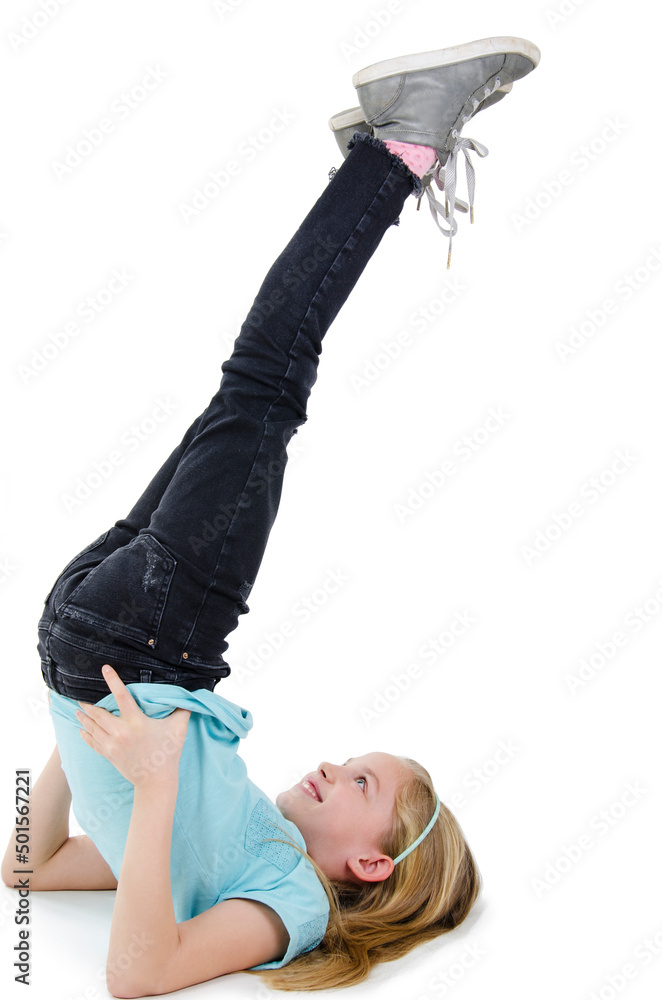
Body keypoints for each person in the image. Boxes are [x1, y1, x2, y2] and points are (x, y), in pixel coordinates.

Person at [2, 36, 540, 997]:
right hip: (109, 642)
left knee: (265, 377)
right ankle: (369, 175)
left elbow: (132, 973)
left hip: (141, 640)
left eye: (362, 785)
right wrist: (90, 732)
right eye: (359, 766)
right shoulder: (237, 838)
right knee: (245, 392)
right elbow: (27, 869)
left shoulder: (286, 900)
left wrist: (137, 763)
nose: (336, 765)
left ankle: (398, 148)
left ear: (369, 865)